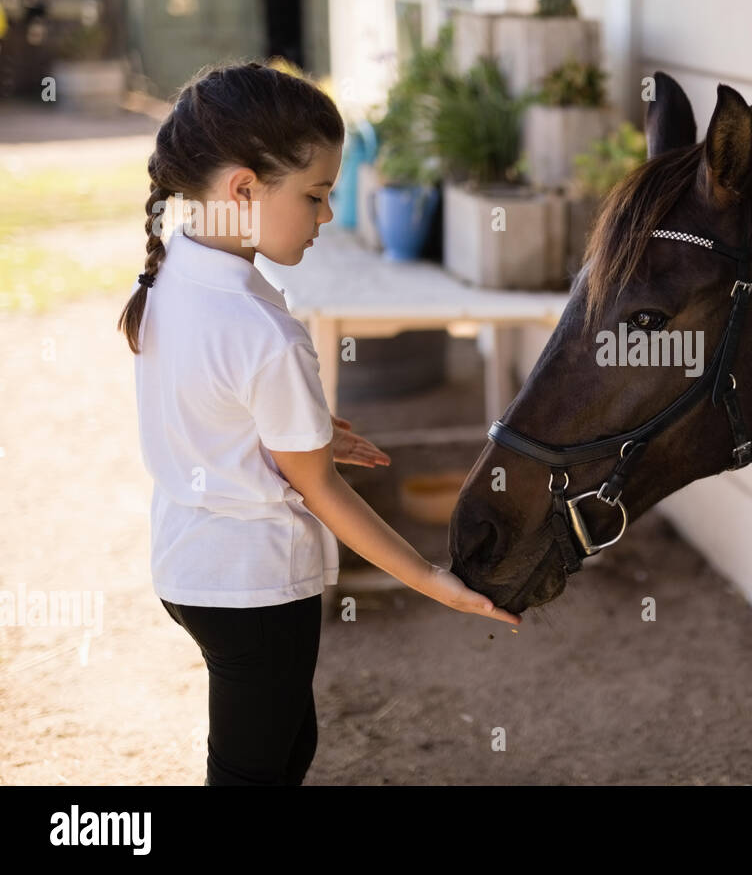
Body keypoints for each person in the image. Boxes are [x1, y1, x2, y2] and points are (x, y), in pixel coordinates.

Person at [117, 60, 521, 786]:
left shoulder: (176, 270)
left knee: (286, 747)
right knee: (253, 772)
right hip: (254, 588)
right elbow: (323, 492)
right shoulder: (262, 330)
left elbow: (213, 403)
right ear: (242, 188)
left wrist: (304, 426)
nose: (328, 216)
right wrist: (434, 581)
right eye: (316, 195)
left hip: (189, 566)